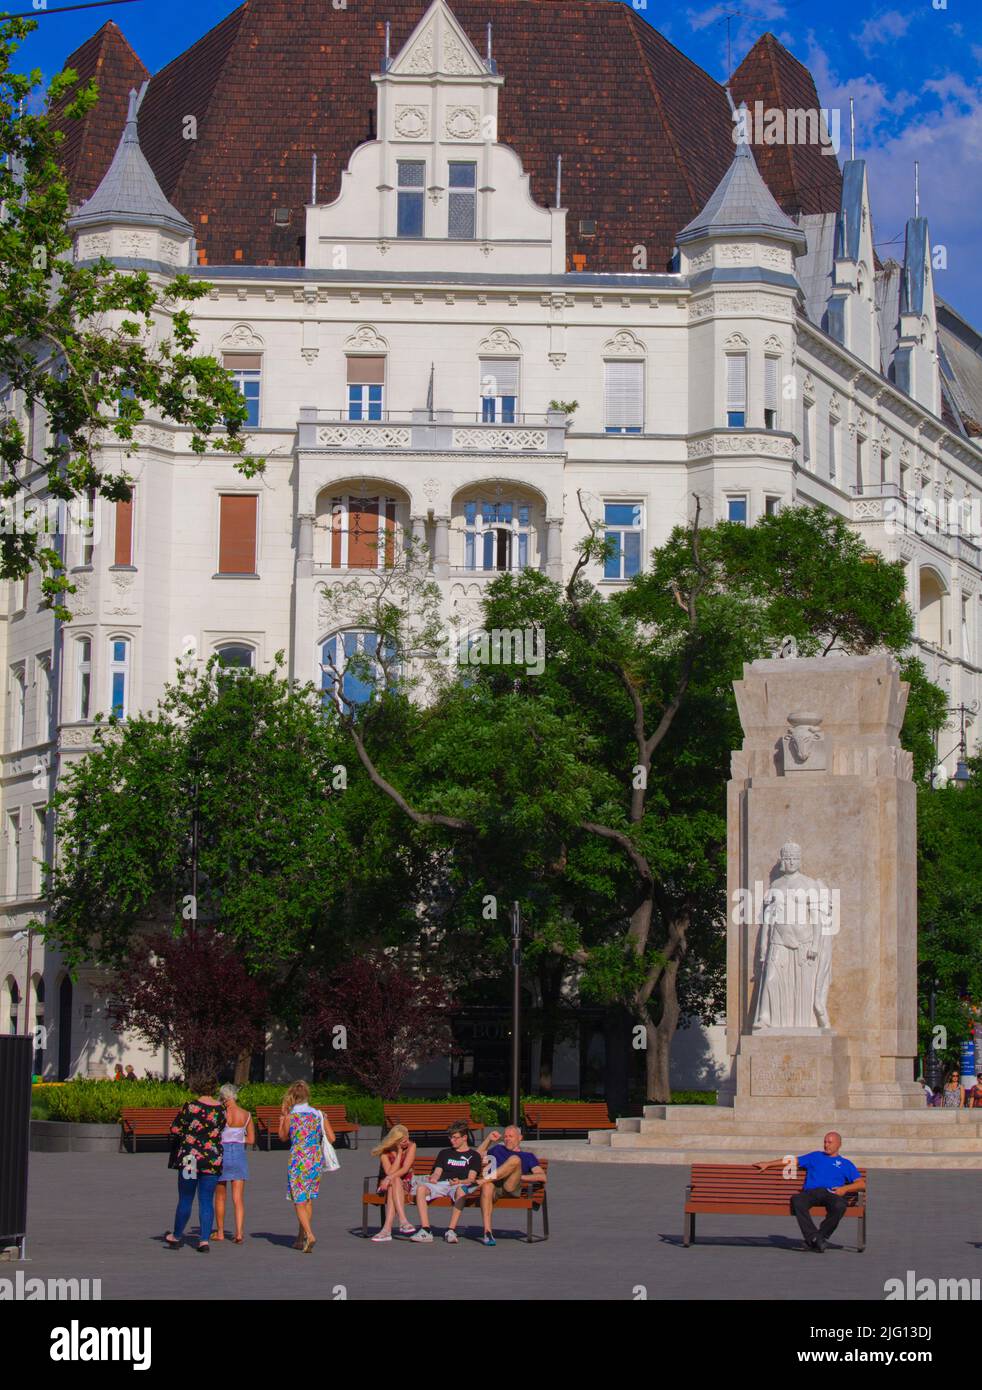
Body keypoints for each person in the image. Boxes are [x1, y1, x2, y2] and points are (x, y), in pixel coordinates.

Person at [754, 1131, 864, 1252]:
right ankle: (815, 1238)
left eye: (830, 1142)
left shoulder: (846, 1164)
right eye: (825, 1142)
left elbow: (861, 1184)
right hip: (812, 1193)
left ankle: (819, 1237)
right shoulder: (815, 1156)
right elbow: (792, 1161)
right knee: (797, 1200)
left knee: (840, 1205)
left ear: (839, 1144)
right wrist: (768, 1164)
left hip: (831, 1193)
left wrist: (844, 1189)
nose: (826, 1145)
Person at [164, 1079, 226, 1252]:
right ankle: (204, 1240)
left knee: (185, 1198)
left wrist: (186, 1133)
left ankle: (176, 1236)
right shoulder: (222, 1109)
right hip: (212, 1159)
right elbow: (221, 1129)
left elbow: (175, 1127)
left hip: (190, 1158)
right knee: (206, 1200)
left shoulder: (190, 1106)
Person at [278, 1081, 334, 1254]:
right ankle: (300, 1238)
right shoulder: (318, 1114)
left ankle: (309, 1235)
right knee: (308, 1198)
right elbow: (331, 1138)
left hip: (298, 1158)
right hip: (315, 1159)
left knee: (298, 1199)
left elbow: (282, 1137)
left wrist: (282, 1120)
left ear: (292, 1097)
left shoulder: (291, 1116)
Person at [410, 1122, 482, 1244]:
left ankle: (451, 1230)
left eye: (455, 1137)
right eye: (450, 1137)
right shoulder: (444, 1153)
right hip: (441, 1184)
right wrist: (433, 1177)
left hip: (459, 1184)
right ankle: (426, 1230)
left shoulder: (474, 1156)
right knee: (421, 1188)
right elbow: (437, 1172)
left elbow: (471, 1179)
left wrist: (460, 1181)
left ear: (464, 1138)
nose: (452, 1140)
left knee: (461, 1191)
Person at [475, 1125, 546, 1247]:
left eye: (511, 1136)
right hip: (495, 1187)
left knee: (515, 1159)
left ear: (520, 1138)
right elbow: (475, 1157)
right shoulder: (497, 1149)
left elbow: (542, 1177)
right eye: (506, 1136)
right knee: (487, 1186)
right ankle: (487, 1232)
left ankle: (480, 1182)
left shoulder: (528, 1156)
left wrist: (520, 1177)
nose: (507, 1139)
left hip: (511, 1187)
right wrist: (489, 1139)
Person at [212, 1083, 255, 1244]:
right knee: (238, 1198)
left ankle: (221, 1232)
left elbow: (214, 1135)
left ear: (224, 1097)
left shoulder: (221, 1114)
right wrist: (237, 1138)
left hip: (221, 1155)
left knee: (220, 1197)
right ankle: (239, 1233)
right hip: (239, 1155)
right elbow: (251, 1140)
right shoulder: (246, 1115)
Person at [370, 1124, 417, 1242]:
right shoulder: (385, 1152)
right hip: (390, 1185)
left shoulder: (412, 1146)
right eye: (402, 1141)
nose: (406, 1143)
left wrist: (387, 1179)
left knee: (394, 1181)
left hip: (405, 1182)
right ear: (395, 1141)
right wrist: (399, 1153)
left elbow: (405, 1169)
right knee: (394, 1181)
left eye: (407, 1139)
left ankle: (386, 1230)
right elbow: (389, 1171)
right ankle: (403, 1220)